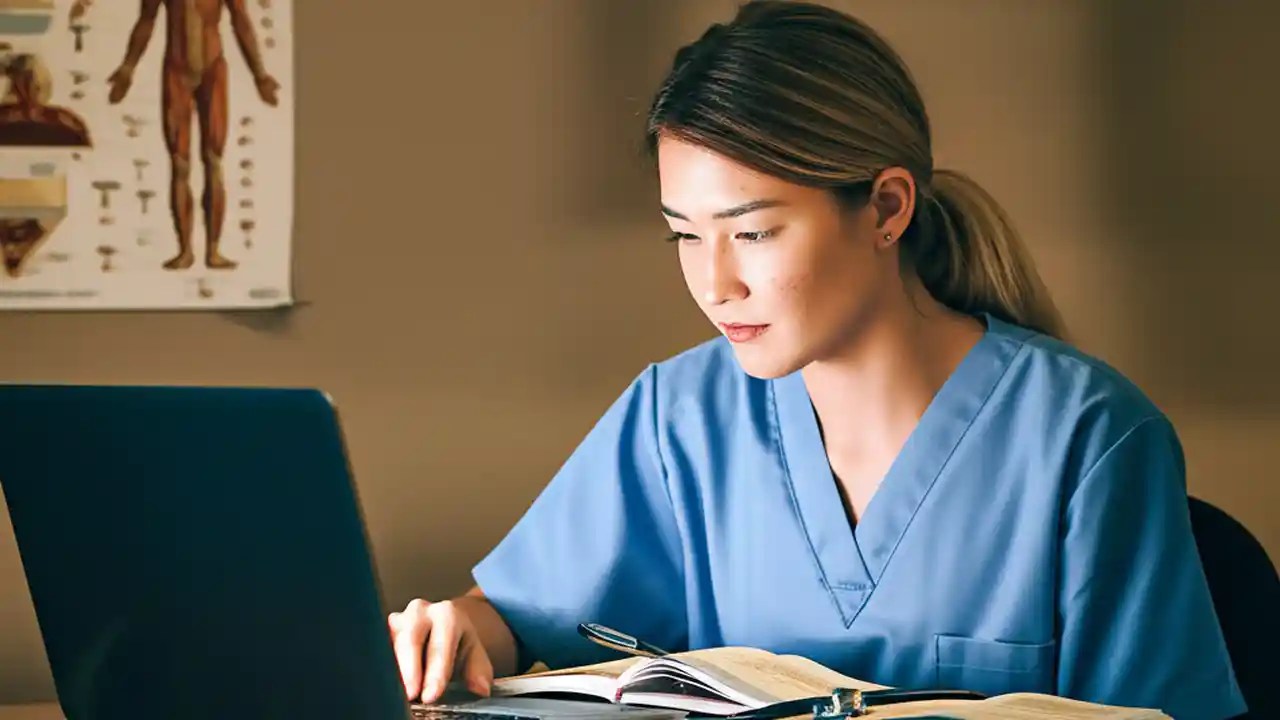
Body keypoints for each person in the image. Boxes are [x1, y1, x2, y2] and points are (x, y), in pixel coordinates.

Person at [388, 3, 1247, 719]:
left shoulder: (1088, 437)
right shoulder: (676, 418)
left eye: (754, 232)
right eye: (685, 236)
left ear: (885, 207)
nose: (715, 283)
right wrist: (458, 625)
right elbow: (517, 617)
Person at [105, 0, 280, 271]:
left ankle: (213, 251)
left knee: (213, 160)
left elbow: (241, 21)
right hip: (177, 72)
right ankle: (185, 250)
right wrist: (128, 67)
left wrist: (259, 75)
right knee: (180, 163)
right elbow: (146, 20)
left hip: (213, 71)